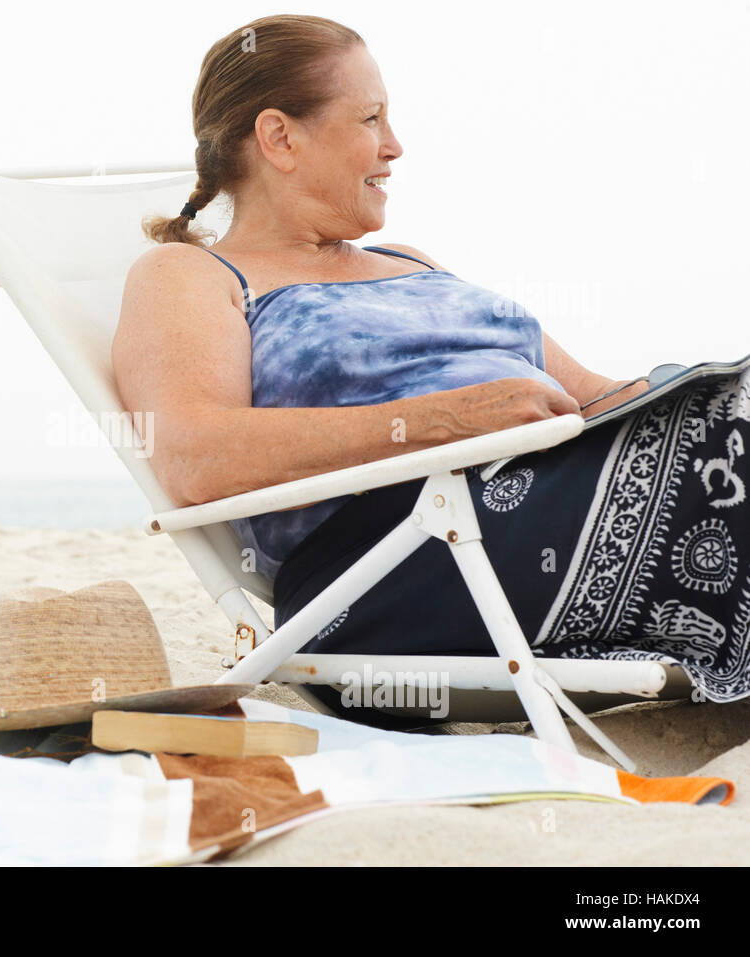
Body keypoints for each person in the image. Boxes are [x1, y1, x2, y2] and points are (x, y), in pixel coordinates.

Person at [112, 14, 750, 723]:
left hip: (539, 501)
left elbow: (595, 395)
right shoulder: (191, 274)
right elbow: (193, 457)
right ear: (279, 137)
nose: (395, 145)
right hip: (392, 563)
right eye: (371, 118)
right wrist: (441, 421)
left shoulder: (410, 262)